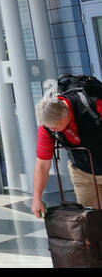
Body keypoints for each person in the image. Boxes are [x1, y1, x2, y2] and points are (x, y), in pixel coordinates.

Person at [31, 81, 102, 218]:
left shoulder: (93, 105)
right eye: (49, 127)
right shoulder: (48, 125)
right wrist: (37, 198)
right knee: (92, 223)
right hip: (83, 173)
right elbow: (43, 164)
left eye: (55, 126)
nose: (52, 129)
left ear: (66, 114)